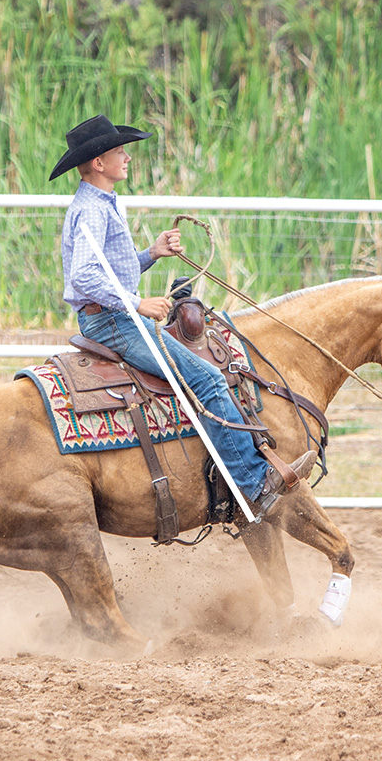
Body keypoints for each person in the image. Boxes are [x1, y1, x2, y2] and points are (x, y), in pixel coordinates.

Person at [50, 114, 314, 516]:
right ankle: (251, 483)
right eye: (119, 151)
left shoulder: (102, 203)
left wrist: (151, 254)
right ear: (98, 163)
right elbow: (84, 276)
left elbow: (108, 270)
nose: (127, 158)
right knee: (208, 377)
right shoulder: (92, 210)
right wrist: (136, 304)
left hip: (114, 314)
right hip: (112, 321)